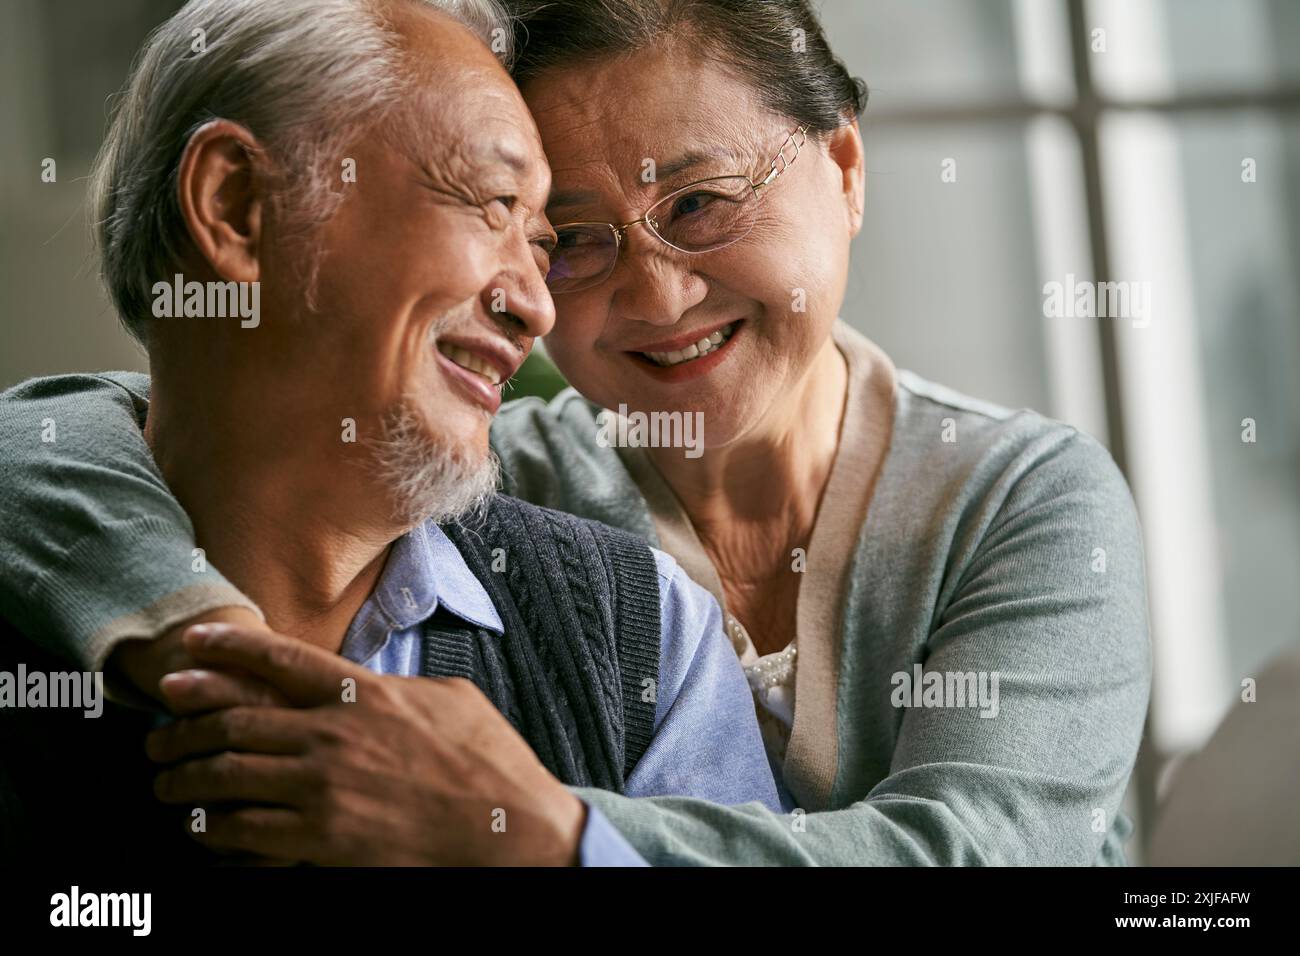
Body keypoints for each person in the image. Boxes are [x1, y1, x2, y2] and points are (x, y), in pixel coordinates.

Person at [0, 0, 1151, 865]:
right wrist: (192, 631)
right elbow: (85, 433)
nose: (649, 297)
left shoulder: (1021, 499)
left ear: (844, 166)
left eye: (699, 203)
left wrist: (543, 828)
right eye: (567, 235)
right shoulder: (501, 477)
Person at [0, 0, 781, 866]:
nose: (536, 305)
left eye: (545, 241)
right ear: (235, 205)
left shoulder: (649, 632)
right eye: (491, 204)